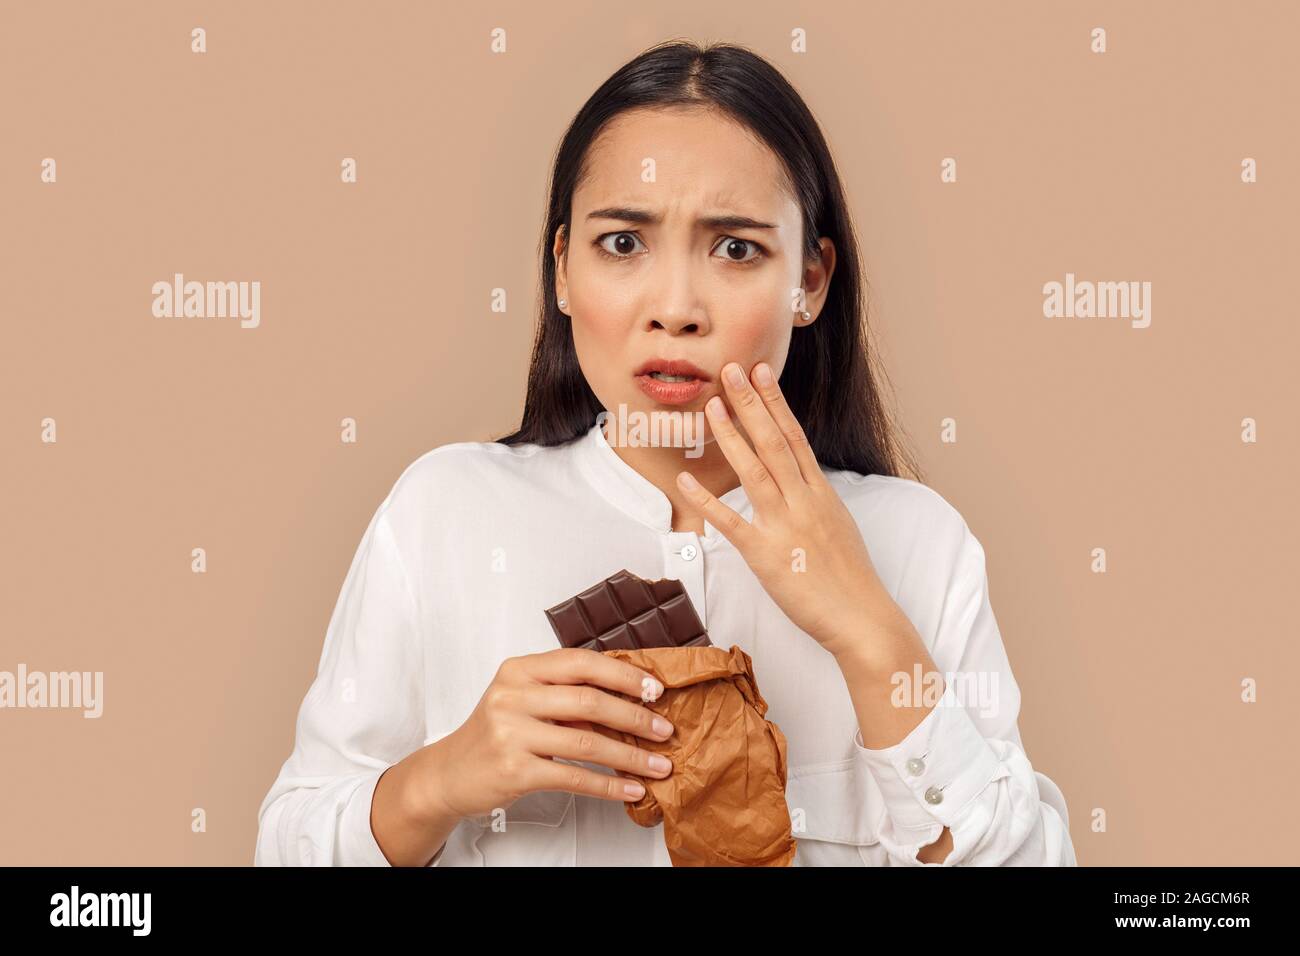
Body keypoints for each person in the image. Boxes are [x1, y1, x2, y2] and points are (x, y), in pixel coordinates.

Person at [254, 39, 1077, 867]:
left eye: (735, 249)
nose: (676, 308)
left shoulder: (919, 545)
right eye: (622, 244)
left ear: (811, 283)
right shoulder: (443, 513)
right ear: (562, 270)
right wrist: (439, 781)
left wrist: (870, 632)